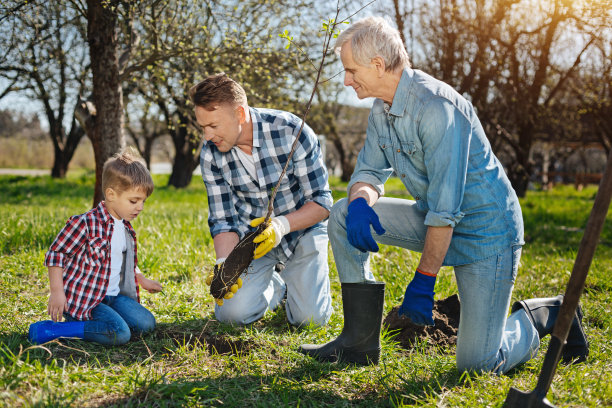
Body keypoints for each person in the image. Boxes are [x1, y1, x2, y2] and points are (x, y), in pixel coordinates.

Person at [299, 16, 588, 372]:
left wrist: (424, 280)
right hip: (436, 218)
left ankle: (544, 314)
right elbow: (370, 172)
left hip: (487, 234)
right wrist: (361, 200)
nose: (346, 80)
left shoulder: (437, 108)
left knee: (479, 363)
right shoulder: (381, 109)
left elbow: (446, 210)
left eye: (350, 70)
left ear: (377, 65)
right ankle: (359, 342)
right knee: (343, 214)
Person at [189, 73, 333, 327]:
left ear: (240, 115)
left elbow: (321, 201)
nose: (207, 136)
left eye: (213, 126)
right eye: (203, 127)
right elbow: (222, 219)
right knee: (231, 316)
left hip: (302, 232)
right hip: (252, 241)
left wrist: (281, 226)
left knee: (310, 320)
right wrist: (226, 265)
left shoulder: (291, 132)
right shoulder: (211, 155)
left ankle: (297, 284)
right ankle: (276, 288)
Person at [28, 149, 162, 346]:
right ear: (111, 194)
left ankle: (103, 323)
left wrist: (142, 279)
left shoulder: (125, 228)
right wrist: (57, 292)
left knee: (147, 324)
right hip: (86, 299)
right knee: (120, 334)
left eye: (143, 201)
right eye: (134, 201)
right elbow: (56, 254)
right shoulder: (85, 223)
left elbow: (122, 262)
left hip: (113, 296)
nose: (140, 207)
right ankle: (55, 329)